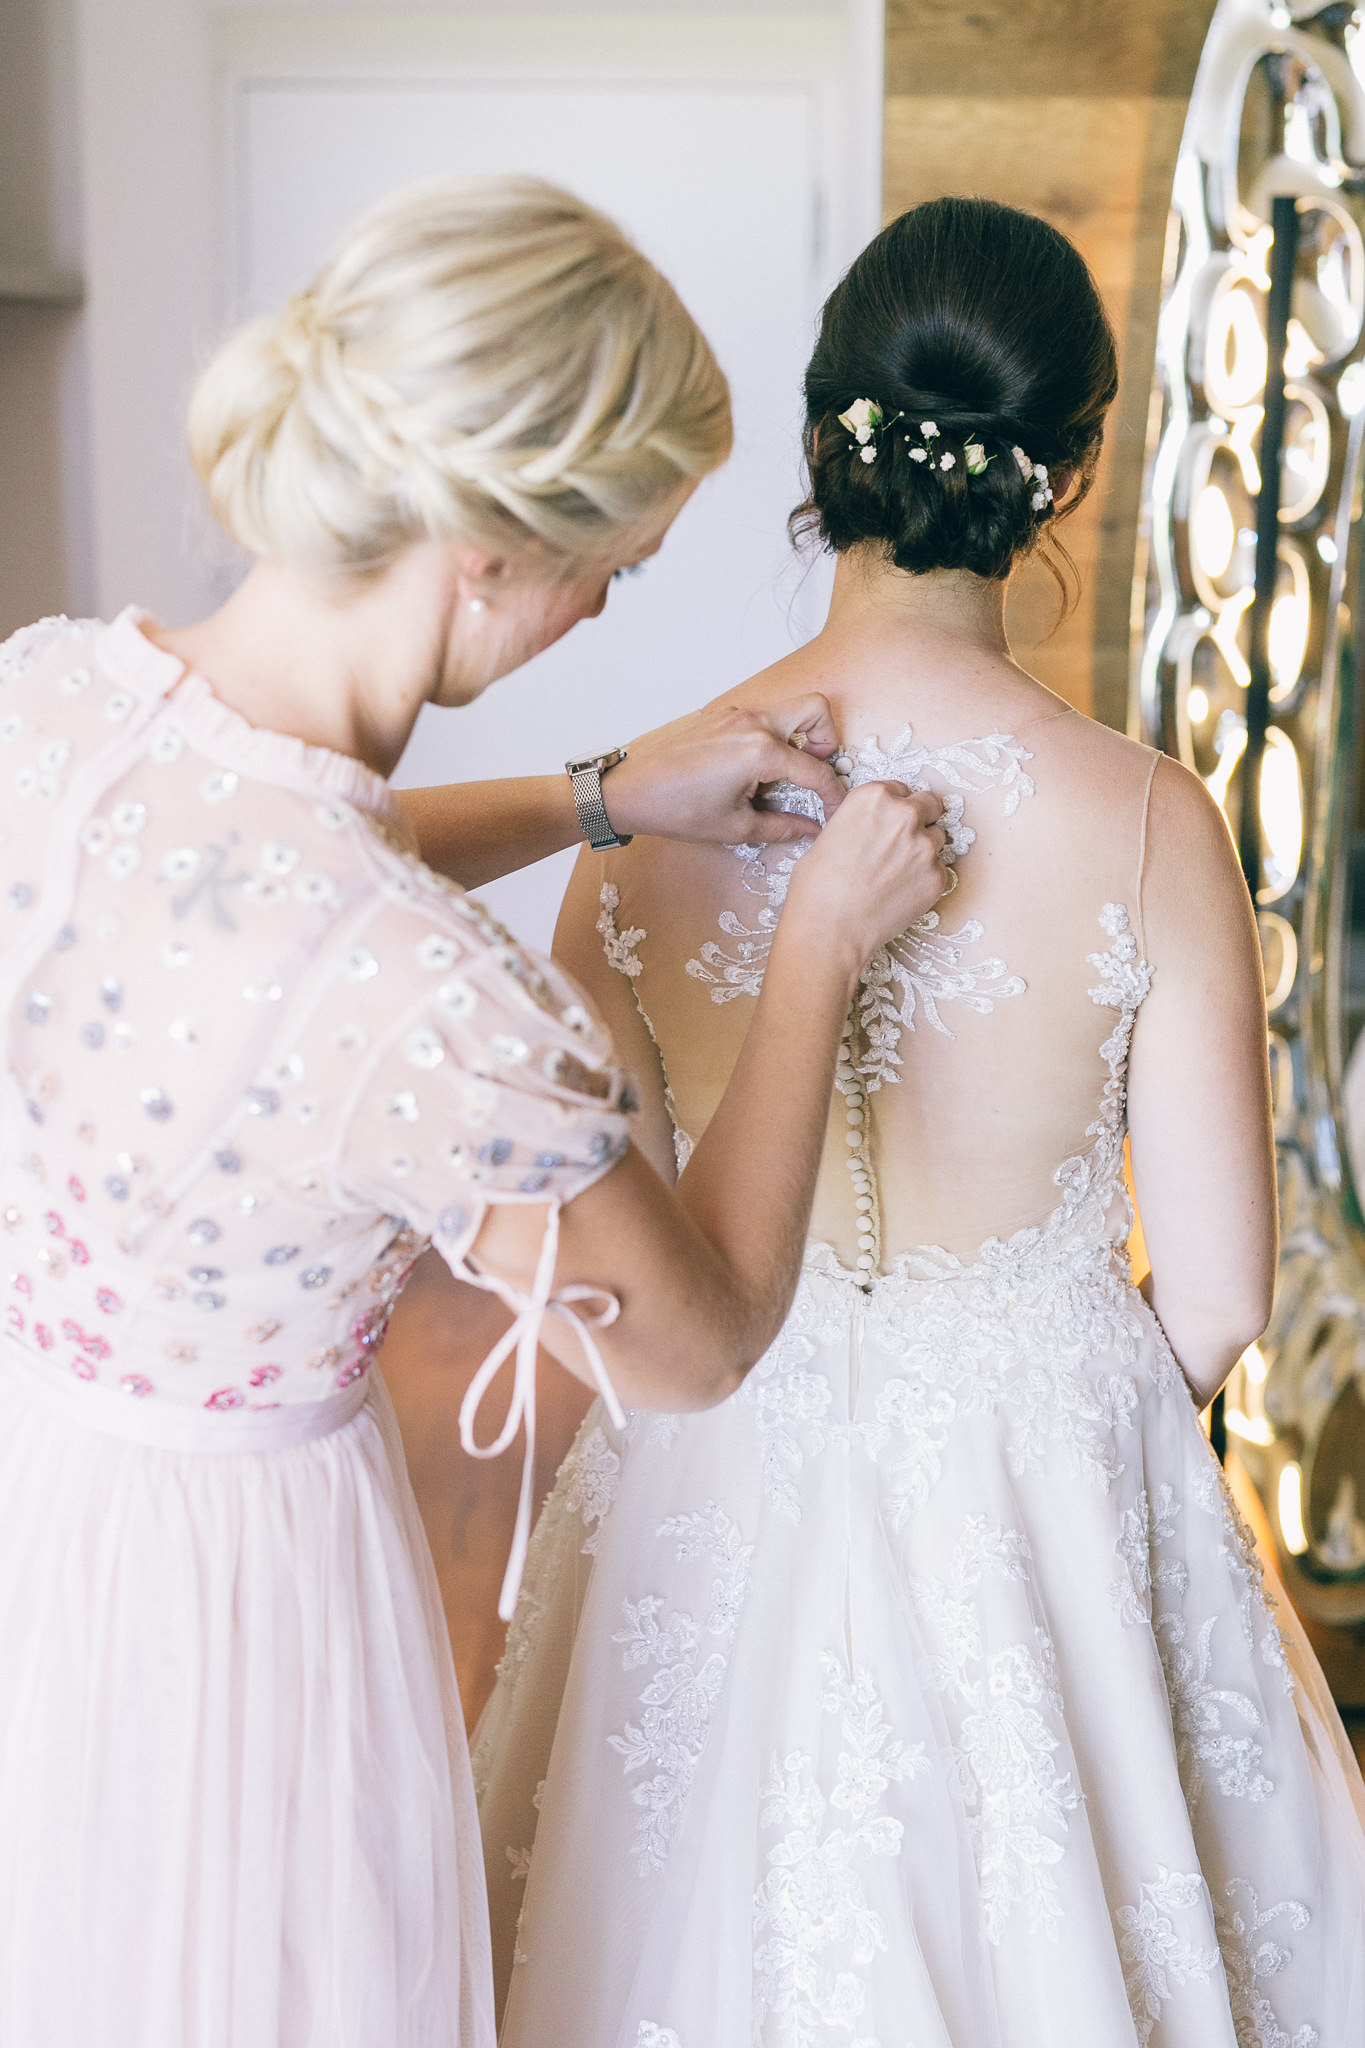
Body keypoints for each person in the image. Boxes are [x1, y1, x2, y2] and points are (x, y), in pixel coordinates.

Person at [0, 177, 950, 2048]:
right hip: (243, 1631)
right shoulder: (437, 1006)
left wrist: (603, 796)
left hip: (51, 1520)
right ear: (493, 547)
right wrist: (817, 952)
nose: (603, 606)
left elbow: (256, 880)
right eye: (613, 563)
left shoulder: (48, 704)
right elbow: (697, 1344)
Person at [473, 197, 1365, 2048]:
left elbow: (627, 1286)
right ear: (1077, 467)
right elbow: (1214, 1296)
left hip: (707, 1484)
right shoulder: (1146, 819)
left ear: (817, 443)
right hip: (1048, 1477)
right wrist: (1059, 1423)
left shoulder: (638, 819)